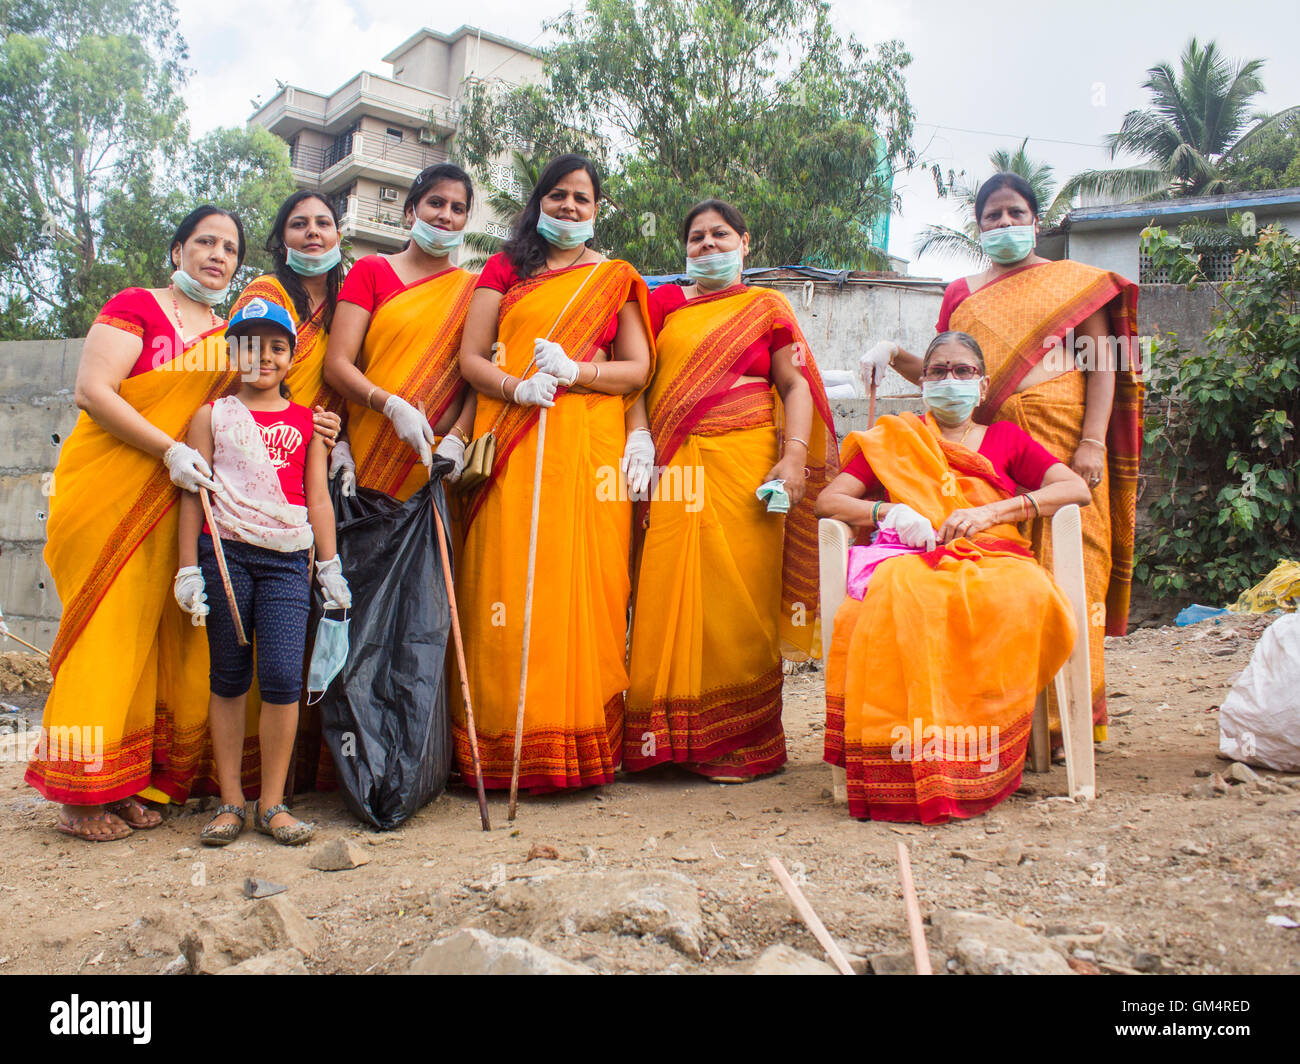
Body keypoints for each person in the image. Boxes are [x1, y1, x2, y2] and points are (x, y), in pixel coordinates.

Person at [860, 172, 1141, 740]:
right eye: (993, 216)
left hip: (1065, 444)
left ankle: (1070, 726)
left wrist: (1091, 441)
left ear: (1036, 221)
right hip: (987, 454)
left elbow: (1101, 364)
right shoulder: (961, 293)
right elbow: (948, 368)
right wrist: (890, 352)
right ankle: (1007, 721)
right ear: (978, 227)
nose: (1006, 224)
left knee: (1073, 571)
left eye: (1016, 213)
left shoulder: (1076, 283)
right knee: (997, 580)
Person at [26, 207, 245, 840]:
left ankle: (121, 781)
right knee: (107, 634)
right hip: (113, 490)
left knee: (153, 641)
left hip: (175, 505)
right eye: (205, 241)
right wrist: (169, 450)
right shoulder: (137, 305)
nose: (217, 255)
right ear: (177, 251)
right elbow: (95, 390)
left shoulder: (230, 333)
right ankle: (77, 792)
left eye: (229, 248)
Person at [817, 331, 1092, 823]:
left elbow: (1074, 489)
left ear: (982, 386)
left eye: (963, 371)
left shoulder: (1006, 438)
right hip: (913, 558)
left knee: (1026, 594)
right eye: (938, 371)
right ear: (921, 382)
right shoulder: (894, 438)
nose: (950, 380)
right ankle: (912, 760)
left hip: (996, 558)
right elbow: (829, 501)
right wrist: (889, 512)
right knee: (908, 598)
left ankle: (978, 753)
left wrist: (998, 512)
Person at [454, 153, 653, 792]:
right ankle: (501, 742)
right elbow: (470, 358)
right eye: (558, 195)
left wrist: (575, 372)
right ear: (538, 202)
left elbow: (637, 370)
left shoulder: (614, 277)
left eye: (582, 199)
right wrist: (517, 389)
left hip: (589, 445)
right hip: (514, 438)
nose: (569, 207)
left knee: (585, 587)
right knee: (508, 581)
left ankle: (578, 747)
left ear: (597, 211)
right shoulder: (504, 269)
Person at [622, 199, 837, 781]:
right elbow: (637, 376)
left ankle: (741, 744)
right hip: (674, 467)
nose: (708, 246)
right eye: (696, 238)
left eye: (720, 235)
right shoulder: (662, 305)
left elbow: (794, 385)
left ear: (747, 243)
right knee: (668, 589)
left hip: (748, 466)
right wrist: (639, 439)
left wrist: (794, 457)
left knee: (740, 598)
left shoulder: (768, 306)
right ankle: (662, 741)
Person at [174, 297, 351, 845]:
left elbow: (319, 499)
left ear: (291, 357)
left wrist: (329, 564)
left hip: (287, 560)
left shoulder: (308, 423)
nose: (264, 356)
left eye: (277, 346)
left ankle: (272, 803)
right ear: (234, 353)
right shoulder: (212, 415)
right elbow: (192, 495)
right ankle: (231, 801)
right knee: (228, 676)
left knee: (279, 678)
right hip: (226, 556)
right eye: (251, 345)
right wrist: (187, 569)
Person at [228, 191, 346, 793]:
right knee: (237, 659)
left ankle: (296, 783)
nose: (312, 233)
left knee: (294, 648)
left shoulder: (349, 304)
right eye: (298, 224)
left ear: (338, 232)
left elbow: (348, 374)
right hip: (247, 489)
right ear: (282, 239)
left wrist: (335, 431)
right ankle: (239, 786)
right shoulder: (266, 299)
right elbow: (243, 378)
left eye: (323, 222)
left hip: (313, 477)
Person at [323, 164, 478, 500]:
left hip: (437, 465)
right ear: (411, 212)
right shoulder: (371, 271)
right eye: (435, 203)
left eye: (458, 208)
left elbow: (477, 379)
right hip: (368, 453)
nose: (446, 216)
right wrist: (392, 405)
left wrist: (458, 437)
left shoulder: (474, 291)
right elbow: (337, 364)